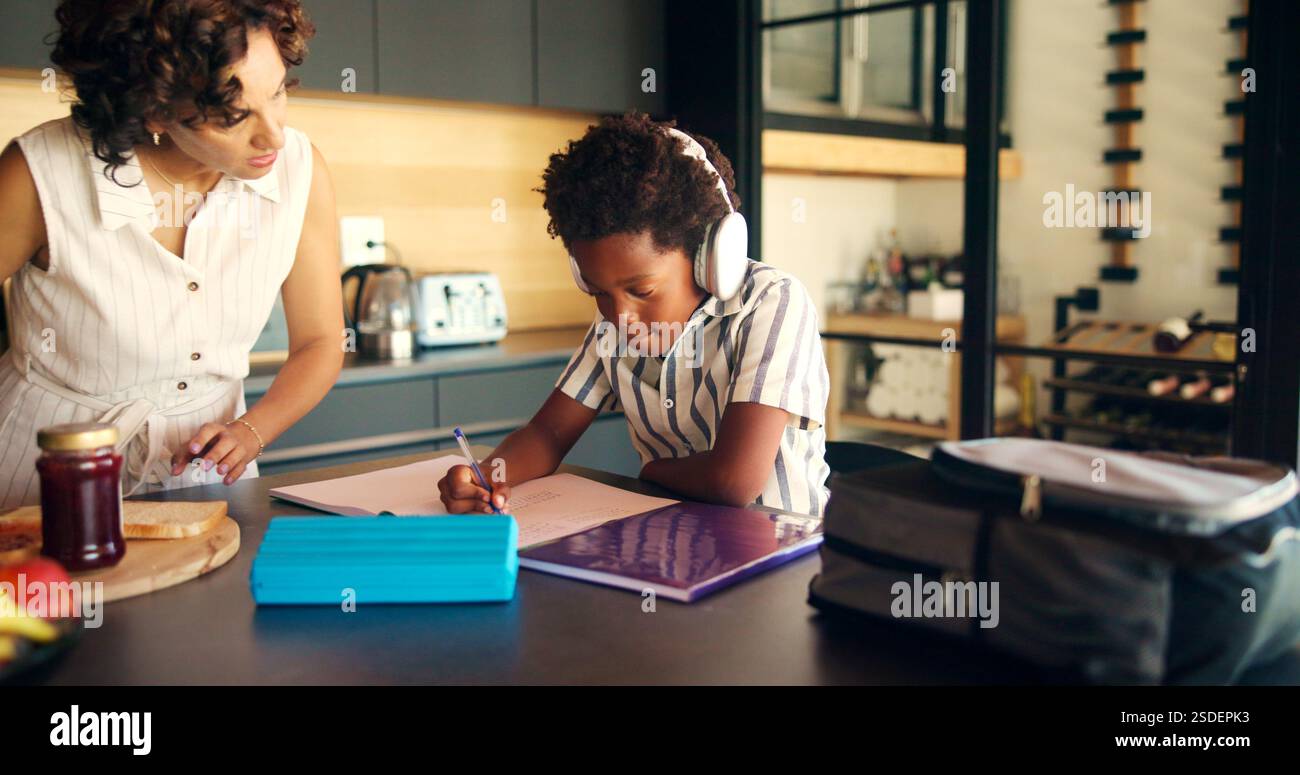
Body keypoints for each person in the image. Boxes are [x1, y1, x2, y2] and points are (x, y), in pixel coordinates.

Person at [0, 0, 344, 507]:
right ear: (155, 109)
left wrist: (252, 431)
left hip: (210, 484)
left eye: (276, 94)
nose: (271, 134)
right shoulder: (39, 173)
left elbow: (320, 341)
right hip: (41, 480)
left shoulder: (300, 171)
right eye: (232, 116)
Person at [437, 113, 830, 517]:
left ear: (709, 259)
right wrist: (486, 475)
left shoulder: (771, 304)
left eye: (641, 291)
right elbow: (547, 434)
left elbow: (733, 481)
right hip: (673, 544)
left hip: (782, 554)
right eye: (598, 292)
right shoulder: (613, 324)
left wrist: (652, 471)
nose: (621, 316)